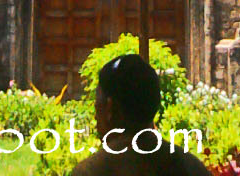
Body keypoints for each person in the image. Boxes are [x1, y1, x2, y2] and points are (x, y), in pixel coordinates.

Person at [71, 55, 213, 176]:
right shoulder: (192, 167)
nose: (95, 118)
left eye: (97, 106)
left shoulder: (91, 171)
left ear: (110, 108)